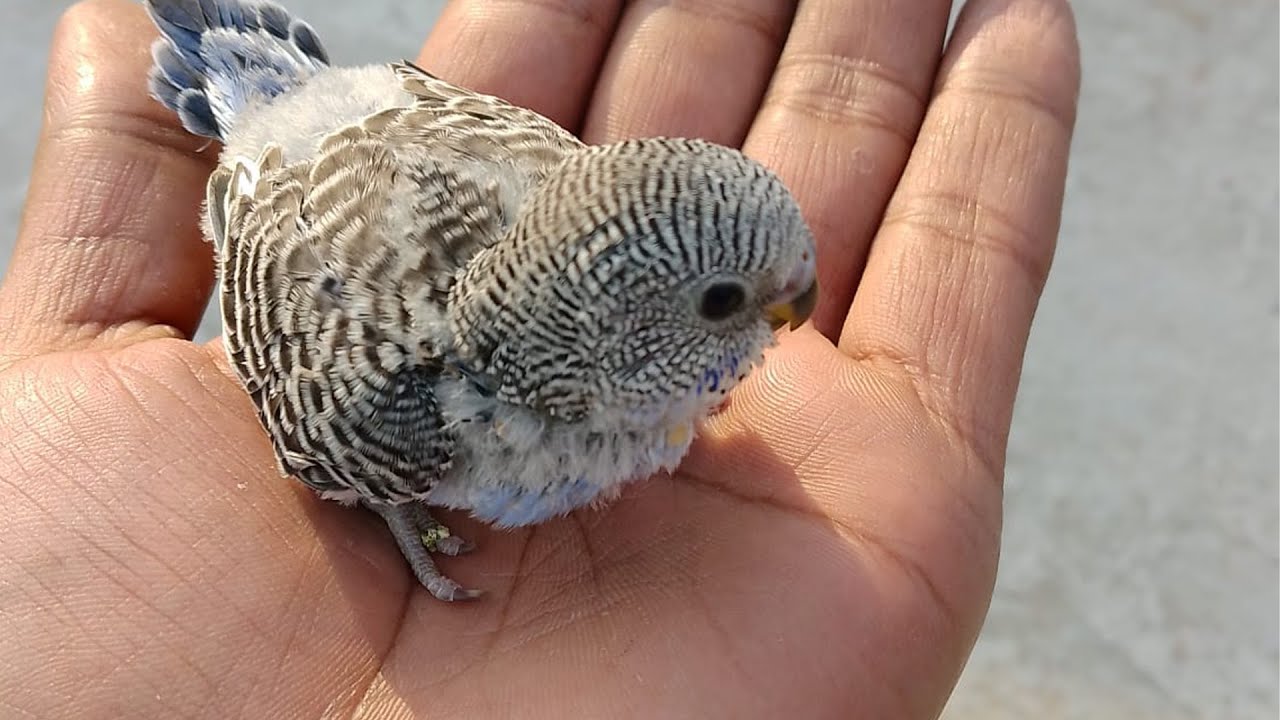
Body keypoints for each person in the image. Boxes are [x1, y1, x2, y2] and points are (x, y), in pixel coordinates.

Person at [0, 0, 1079, 716]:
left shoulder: (566, 200)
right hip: (299, 179)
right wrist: (388, 499)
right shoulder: (403, 407)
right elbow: (271, 245)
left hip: (399, 133)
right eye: (729, 303)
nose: (796, 312)